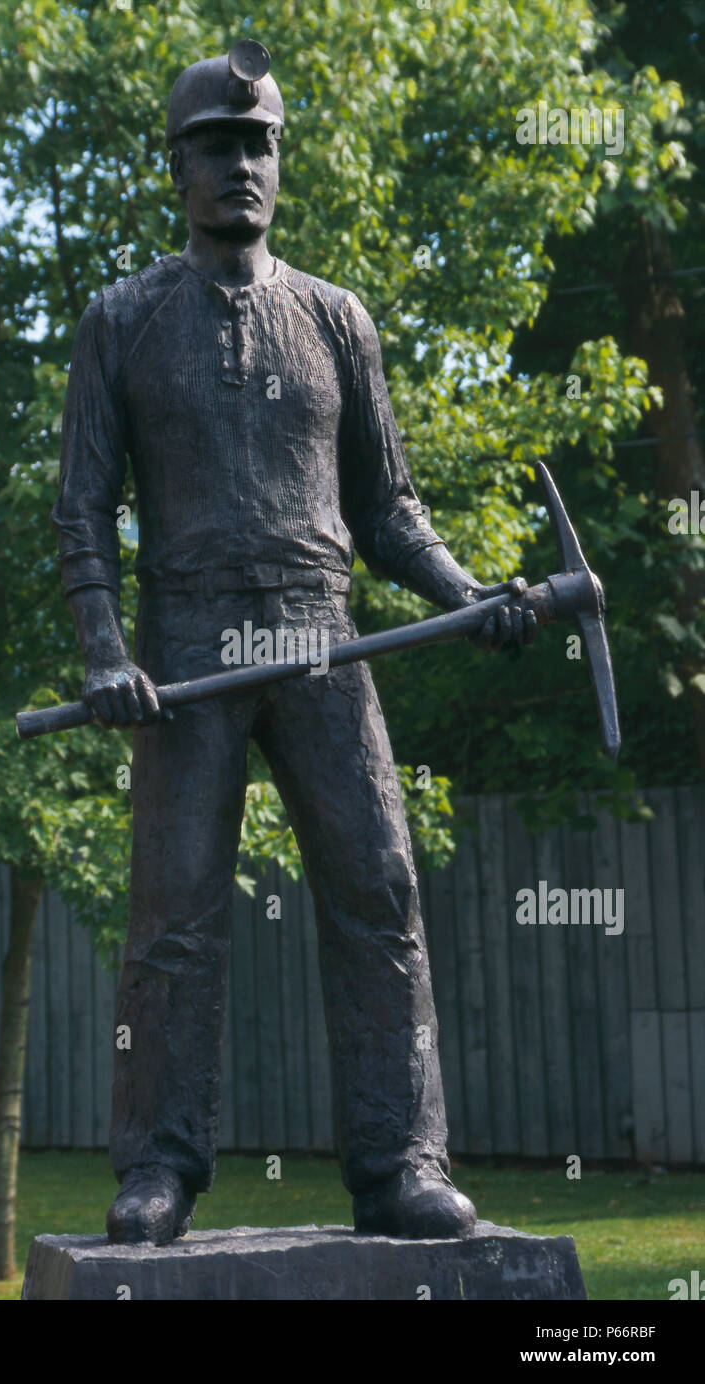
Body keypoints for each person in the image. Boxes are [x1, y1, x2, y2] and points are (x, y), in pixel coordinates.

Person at [51, 41, 535, 1246]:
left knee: (377, 890)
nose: (241, 165)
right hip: (186, 652)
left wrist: (473, 592)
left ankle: (399, 1161)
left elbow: (388, 513)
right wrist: (107, 651)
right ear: (177, 166)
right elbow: (82, 511)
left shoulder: (336, 319)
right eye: (217, 143)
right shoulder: (121, 320)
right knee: (173, 918)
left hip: (322, 641)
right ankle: (158, 1167)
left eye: (258, 142)